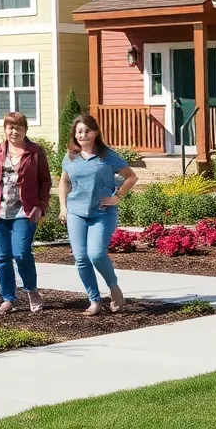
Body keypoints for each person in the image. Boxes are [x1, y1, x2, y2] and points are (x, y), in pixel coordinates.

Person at [58, 113, 139, 316]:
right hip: (76, 211)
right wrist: (63, 207)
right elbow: (64, 181)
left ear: (95, 133)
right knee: (81, 257)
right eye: (79, 132)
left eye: (87, 131)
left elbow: (131, 176)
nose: (83, 135)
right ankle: (94, 300)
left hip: (102, 212)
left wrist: (118, 196)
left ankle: (114, 288)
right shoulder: (70, 156)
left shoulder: (107, 155)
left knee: (96, 254)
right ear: (74, 135)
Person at [0, 112, 52, 316]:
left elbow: (45, 181)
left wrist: (41, 206)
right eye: (10, 127)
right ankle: (8, 299)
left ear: (25, 130)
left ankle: (31, 290)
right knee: (2, 256)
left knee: (21, 252)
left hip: (24, 211)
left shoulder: (35, 152)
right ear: (5, 129)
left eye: (18, 127)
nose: (14, 131)